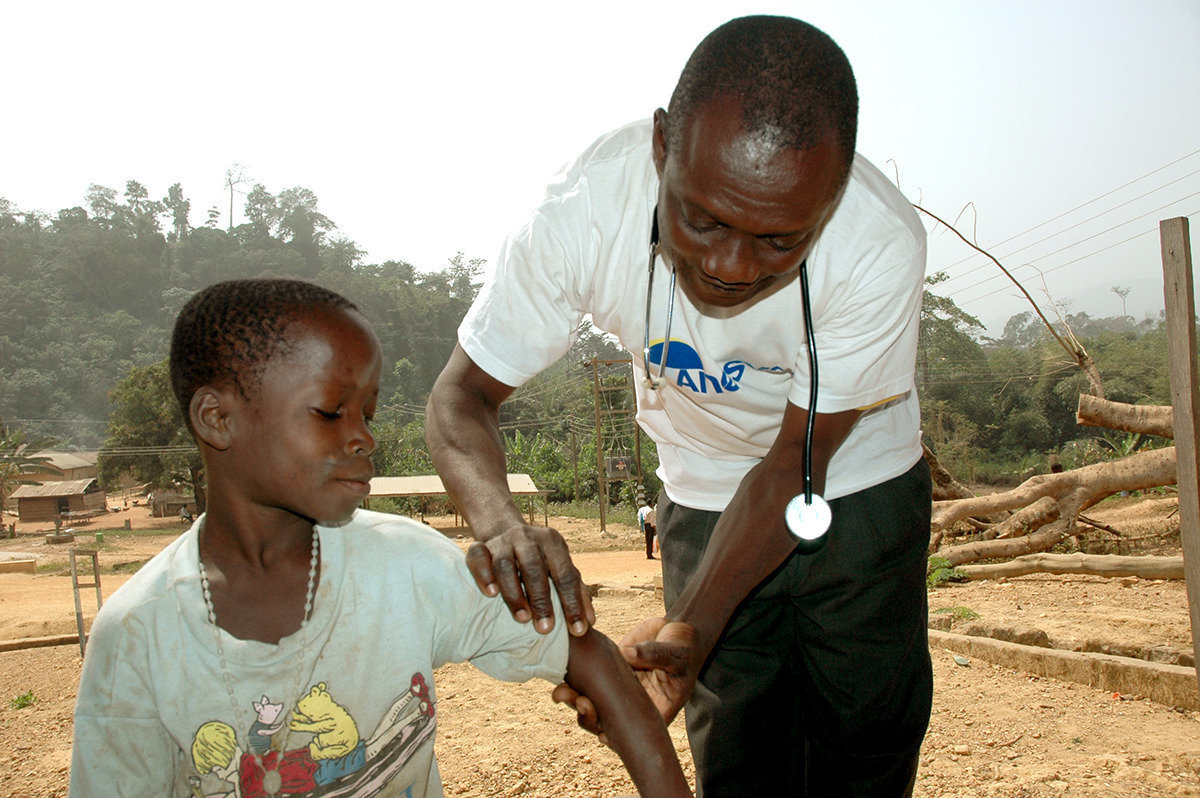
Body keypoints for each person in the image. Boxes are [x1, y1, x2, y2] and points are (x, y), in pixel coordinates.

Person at [425, 15, 932, 797]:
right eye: (704, 219)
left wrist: (689, 626)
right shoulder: (585, 212)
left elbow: (793, 467)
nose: (729, 267)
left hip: (859, 488)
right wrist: (500, 525)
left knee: (864, 742)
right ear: (663, 145)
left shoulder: (876, 239)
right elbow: (461, 395)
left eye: (779, 242)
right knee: (735, 748)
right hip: (700, 491)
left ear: (830, 202)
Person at [71, 279, 691, 798]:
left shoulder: (407, 566)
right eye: (330, 412)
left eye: (367, 411)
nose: (364, 437)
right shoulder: (139, 634)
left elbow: (589, 655)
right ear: (218, 418)